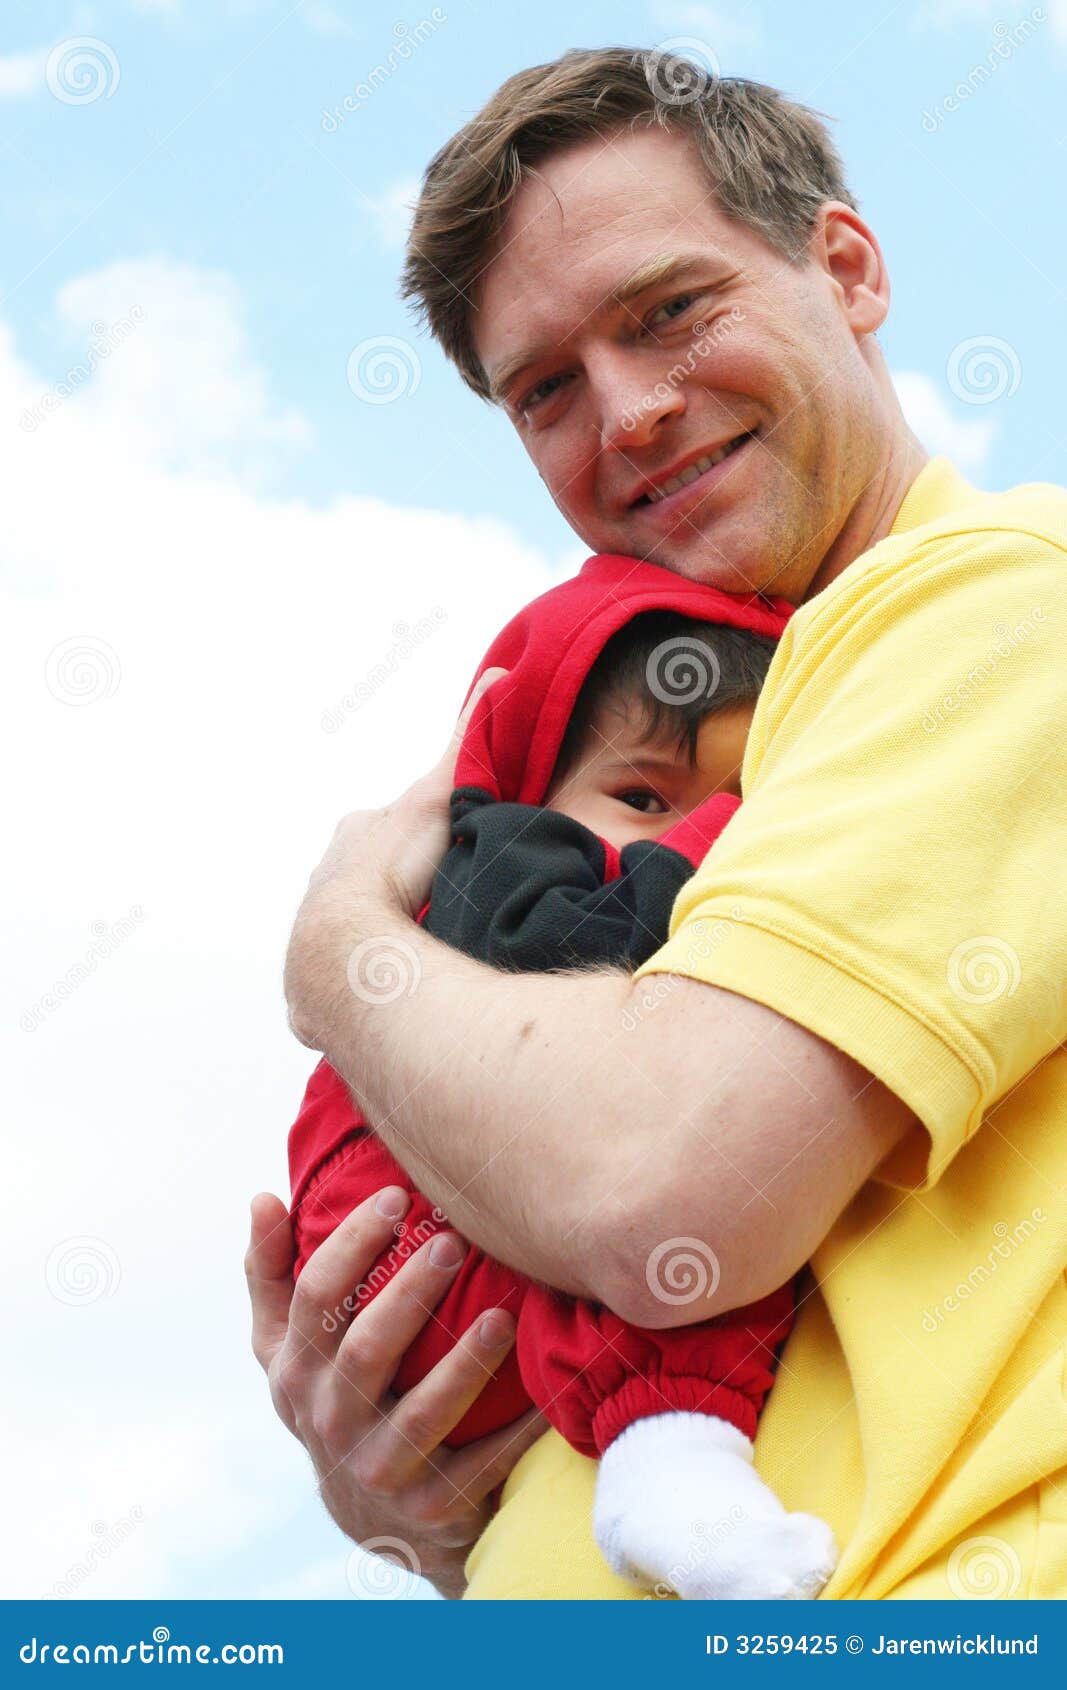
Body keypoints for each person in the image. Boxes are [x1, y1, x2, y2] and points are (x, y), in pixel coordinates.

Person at [247, 51, 1067, 1600]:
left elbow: (661, 1192)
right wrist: (430, 1490)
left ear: (846, 266)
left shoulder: (1002, 599)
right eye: (542, 388)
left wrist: (339, 948)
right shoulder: (701, 756)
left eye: (668, 310)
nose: (624, 414)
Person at [287, 558, 837, 1599]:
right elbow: (618, 1115)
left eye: (738, 805)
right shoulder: (498, 866)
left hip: (464, 1286)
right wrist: (742, 834)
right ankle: (666, 1452)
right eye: (640, 796)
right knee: (677, 1183)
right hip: (406, 1238)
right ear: (522, 782)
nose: (686, 838)